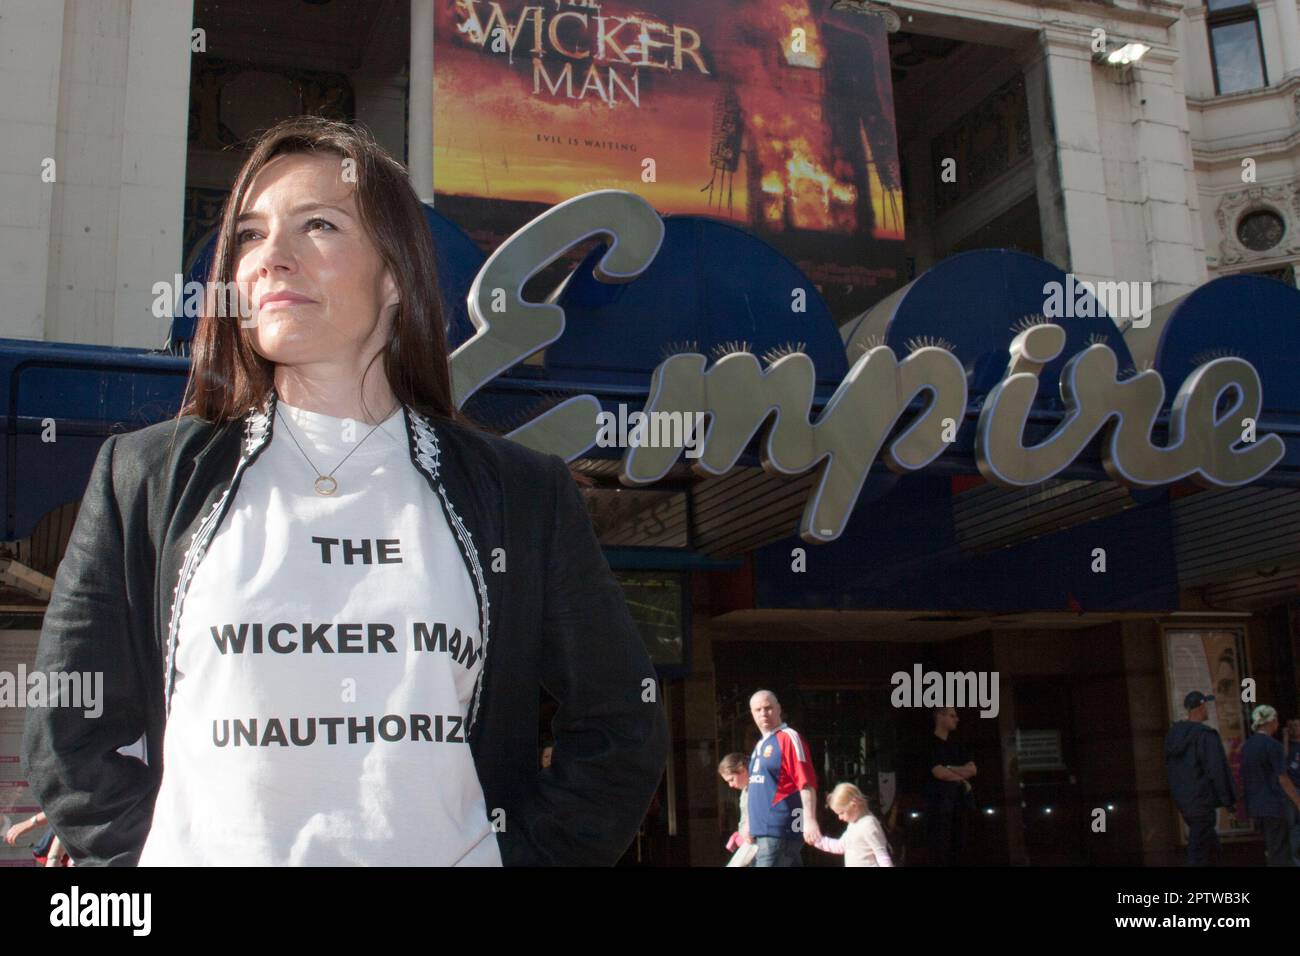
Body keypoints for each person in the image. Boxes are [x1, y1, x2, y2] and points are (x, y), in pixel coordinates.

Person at [21, 115, 668, 867]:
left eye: (317, 226)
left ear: (395, 275)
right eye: (250, 236)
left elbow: (622, 725)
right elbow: (70, 730)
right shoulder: (146, 479)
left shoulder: (520, 495)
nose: (272, 259)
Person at [745, 690, 820, 866]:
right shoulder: (761, 744)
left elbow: (806, 782)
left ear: (779, 709)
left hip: (779, 829)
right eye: (758, 710)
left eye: (768, 708)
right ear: (752, 713)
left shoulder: (789, 737)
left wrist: (809, 820)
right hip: (764, 831)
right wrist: (749, 824)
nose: (763, 713)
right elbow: (757, 788)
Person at [1164, 690, 1236, 866]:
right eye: (1206, 706)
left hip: (1185, 801)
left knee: (1210, 848)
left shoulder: (1173, 736)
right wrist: (1228, 800)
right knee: (1199, 852)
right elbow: (1216, 769)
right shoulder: (1205, 735)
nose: (1208, 710)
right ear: (1201, 706)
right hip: (1203, 800)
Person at [1240, 705, 1300, 866]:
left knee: (1270, 848)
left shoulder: (1247, 746)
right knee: (1280, 852)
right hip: (1274, 805)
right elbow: (1283, 778)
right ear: (1272, 721)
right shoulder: (1273, 746)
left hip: (1255, 806)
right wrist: (1298, 802)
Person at [924, 706, 976, 866]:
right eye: (952, 715)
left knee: (961, 846)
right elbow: (938, 772)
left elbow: (972, 770)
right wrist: (960, 776)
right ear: (941, 716)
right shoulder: (929, 744)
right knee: (941, 848)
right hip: (940, 806)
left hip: (960, 804)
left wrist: (949, 768)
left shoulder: (957, 744)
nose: (957, 719)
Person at [813, 782, 894, 867]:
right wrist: (817, 841)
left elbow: (882, 855)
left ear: (854, 805)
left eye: (842, 813)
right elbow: (840, 846)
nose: (839, 817)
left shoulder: (869, 824)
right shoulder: (853, 824)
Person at [718, 752, 750, 851]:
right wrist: (739, 834)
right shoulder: (745, 790)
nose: (730, 785)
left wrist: (744, 835)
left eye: (731, 779)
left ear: (743, 770)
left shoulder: (756, 788)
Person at [1285, 718, 1300, 865]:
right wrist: (1285, 739)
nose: (1294, 728)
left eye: (1297, 725)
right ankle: (1294, 858)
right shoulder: (1286, 746)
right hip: (1291, 788)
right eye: (1291, 726)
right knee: (1291, 823)